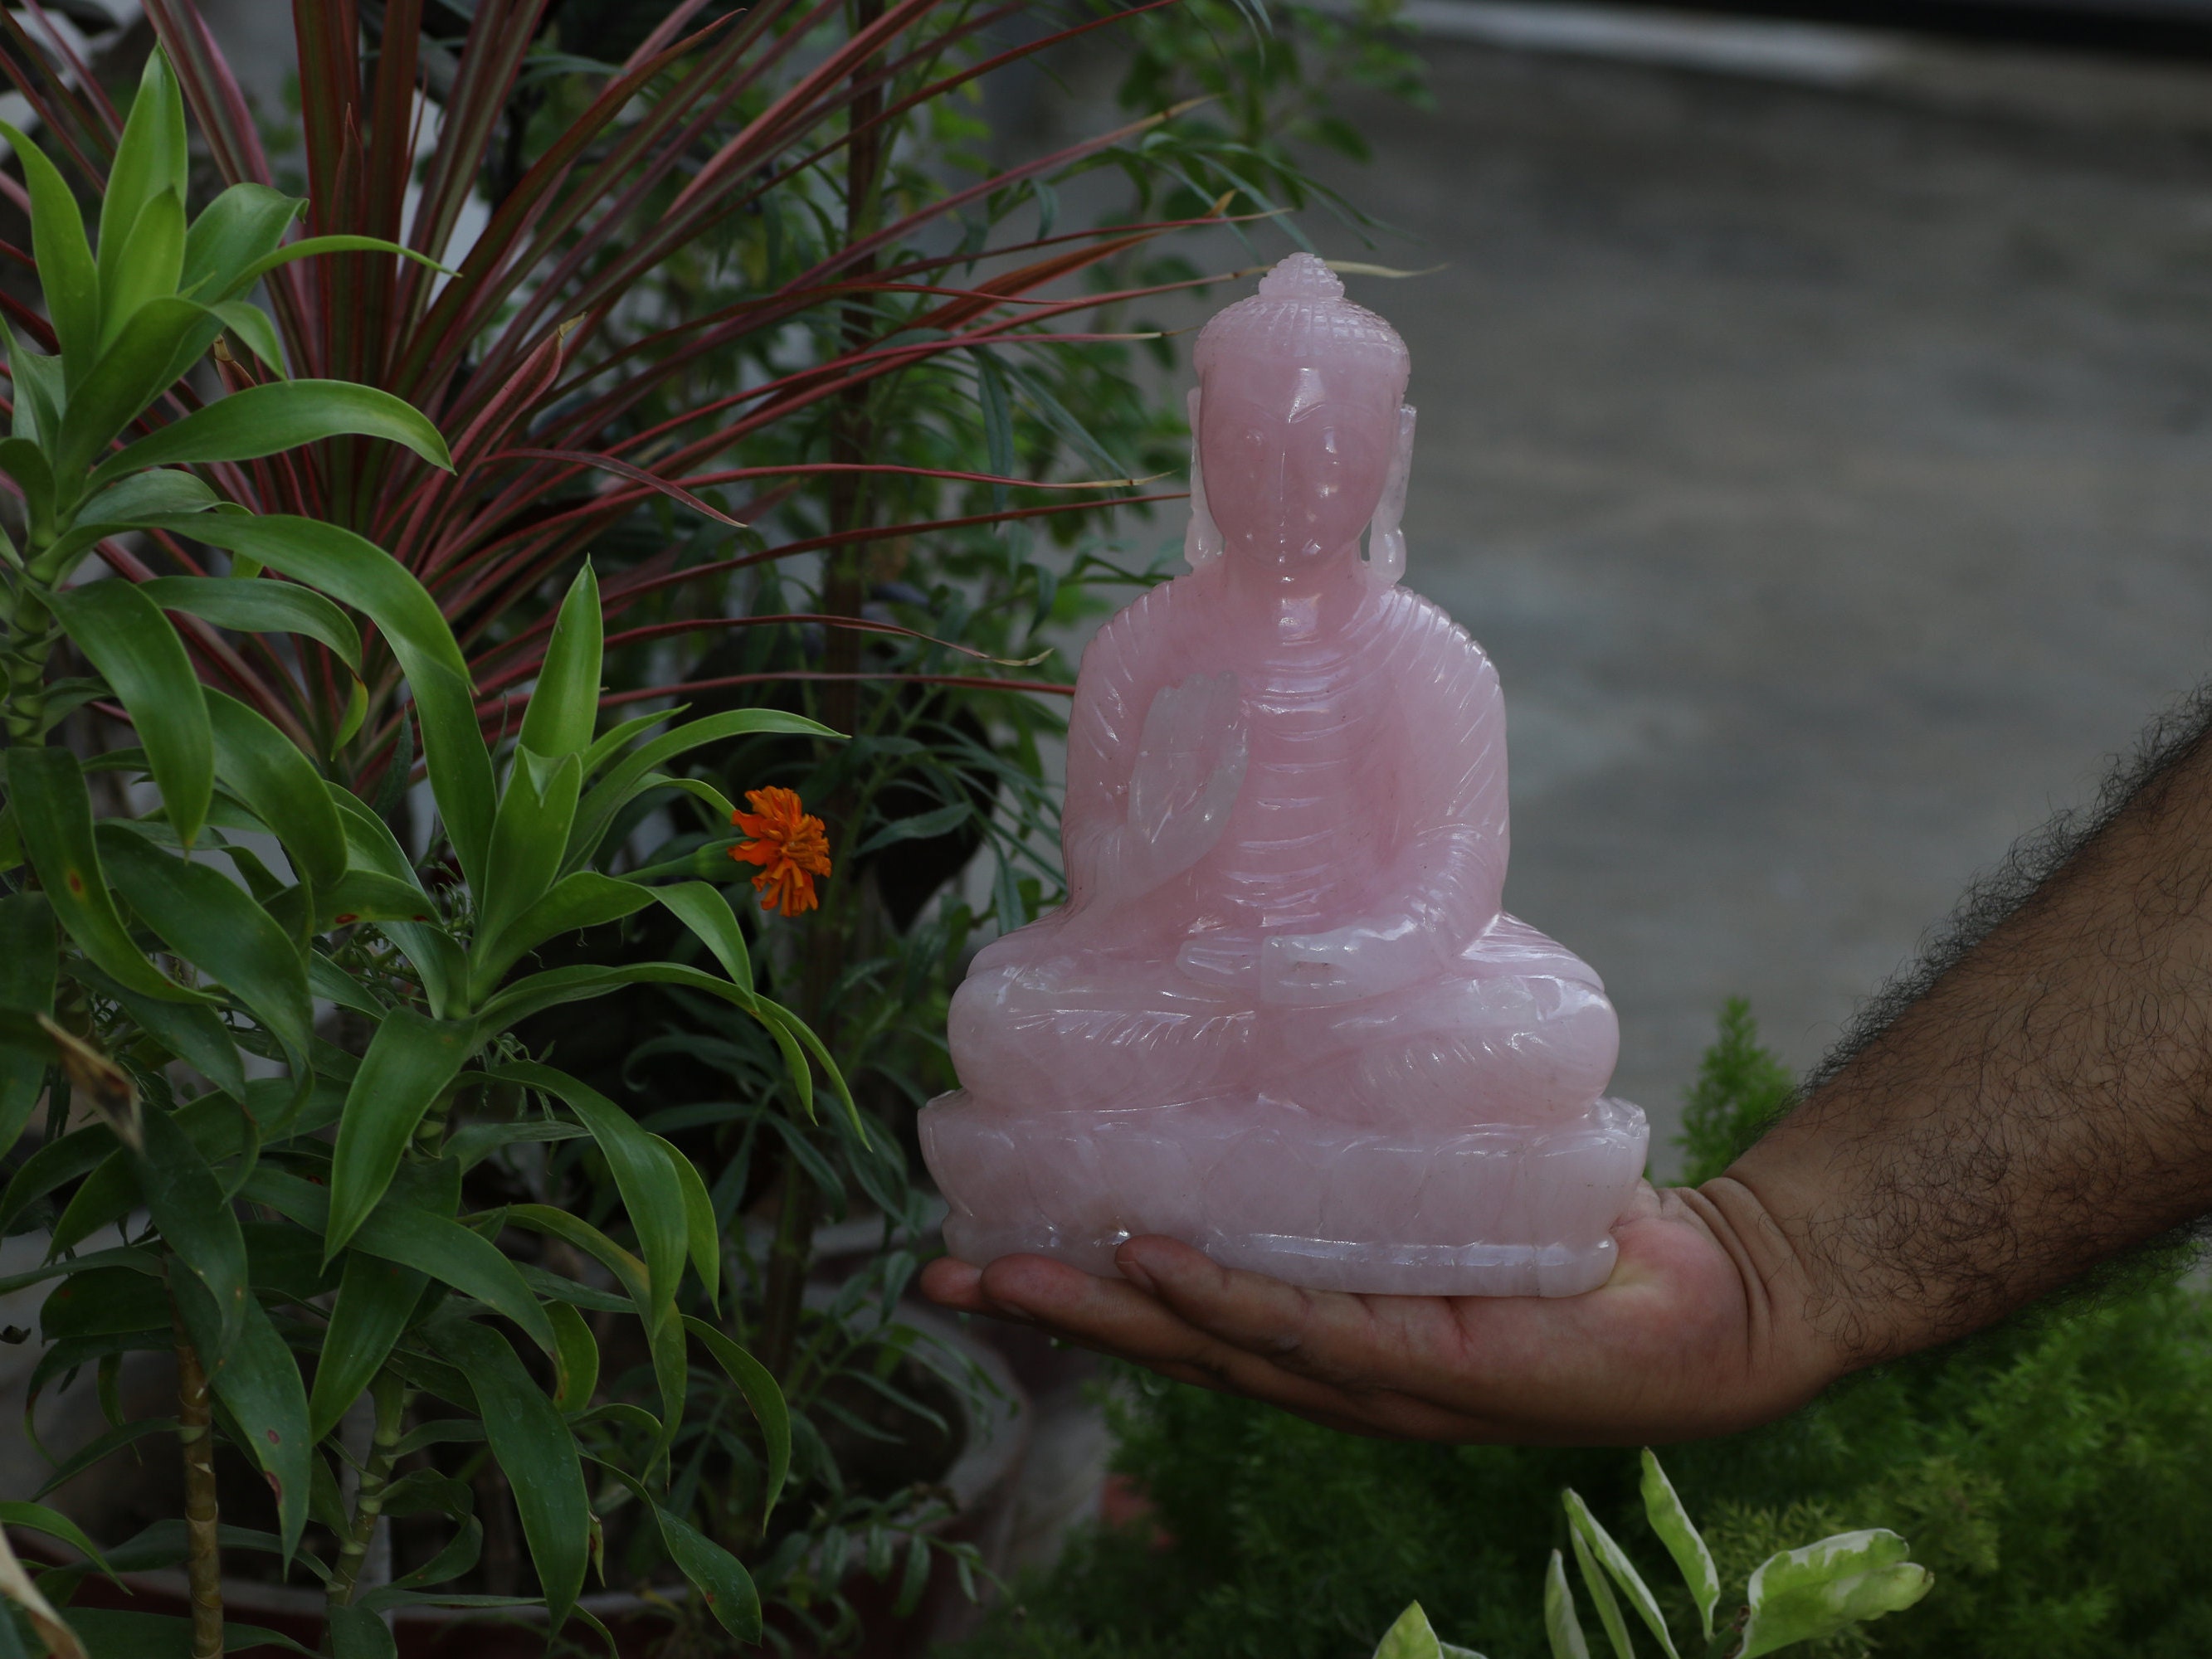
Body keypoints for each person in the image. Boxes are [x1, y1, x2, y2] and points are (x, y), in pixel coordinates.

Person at [922, 688, 2212, 1443]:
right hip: (1194, 981)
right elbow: (1107, 871)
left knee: (1548, 1025)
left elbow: (1449, 878)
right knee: (1012, 1016)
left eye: (1324, 445)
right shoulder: (1163, 641)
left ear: (1386, 457)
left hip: (1373, 995)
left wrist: (1349, 962)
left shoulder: (1424, 656)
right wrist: (1195, 915)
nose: (1289, 474)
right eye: (1255, 439)